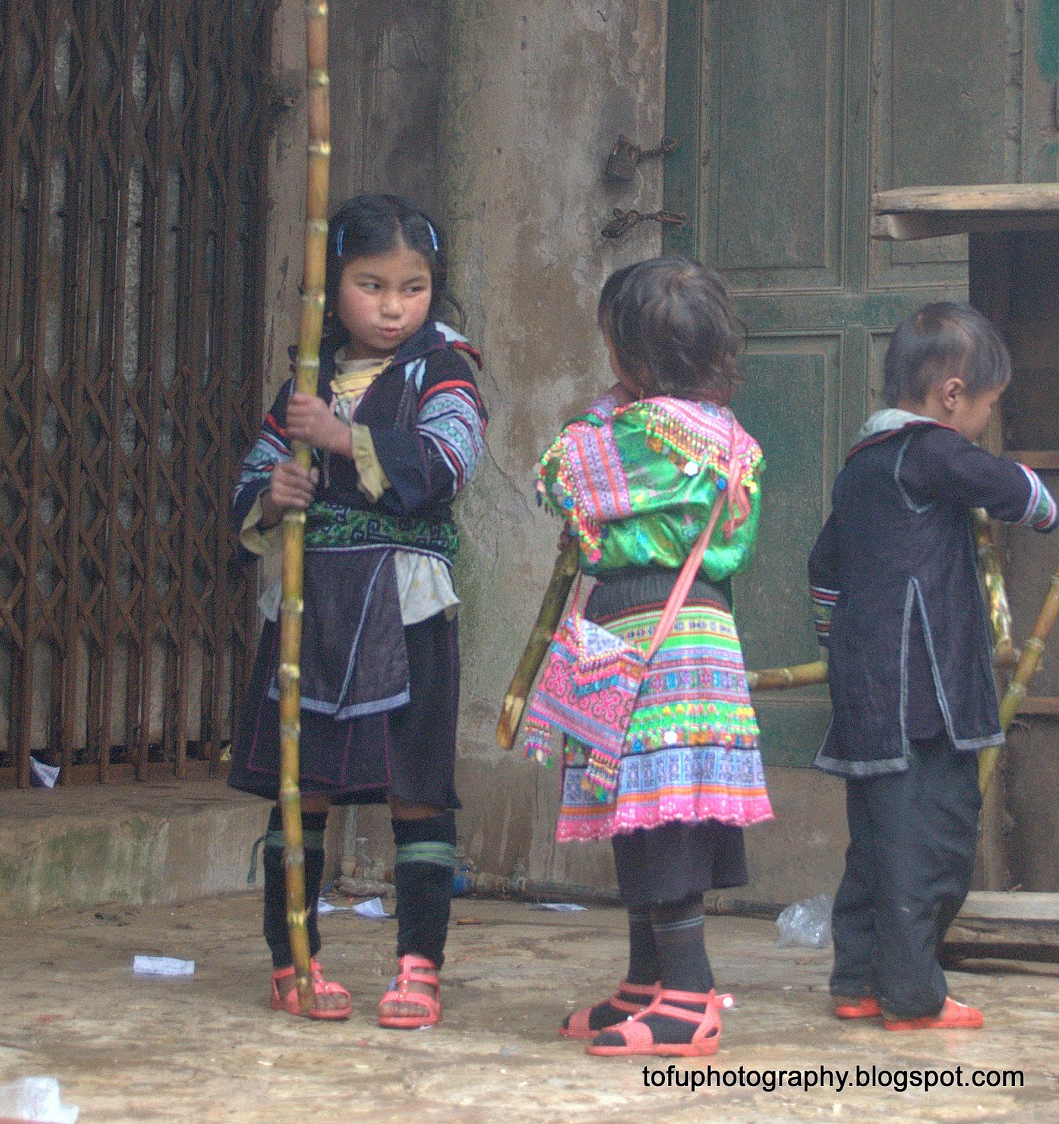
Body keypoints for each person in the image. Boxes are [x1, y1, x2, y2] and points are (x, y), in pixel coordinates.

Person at [227, 193, 486, 1029]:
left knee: (417, 790)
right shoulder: (304, 379)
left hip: (406, 606)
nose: (391, 306)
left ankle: (419, 967)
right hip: (312, 606)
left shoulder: (446, 370)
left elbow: (449, 461)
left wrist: (342, 441)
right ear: (330, 285)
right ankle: (292, 959)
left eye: (412, 288)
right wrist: (275, 495)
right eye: (371, 284)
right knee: (300, 792)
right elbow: (250, 482)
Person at [539, 257, 772, 1057]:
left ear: (626, 358)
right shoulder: (736, 442)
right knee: (648, 806)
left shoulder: (634, 435)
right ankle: (647, 984)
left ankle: (688, 997)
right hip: (699, 631)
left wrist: (602, 410)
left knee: (658, 814)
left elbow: (561, 480)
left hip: (647, 634)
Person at [809, 302, 1055, 1031]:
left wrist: (840, 648)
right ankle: (913, 998)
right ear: (952, 395)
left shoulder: (860, 471)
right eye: (986, 406)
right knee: (934, 845)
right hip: (925, 699)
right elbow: (1007, 489)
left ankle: (856, 980)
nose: (982, 421)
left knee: (877, 846)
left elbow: (824, 572)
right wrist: (1048, 508)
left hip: (870, 698)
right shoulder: (931, 452)